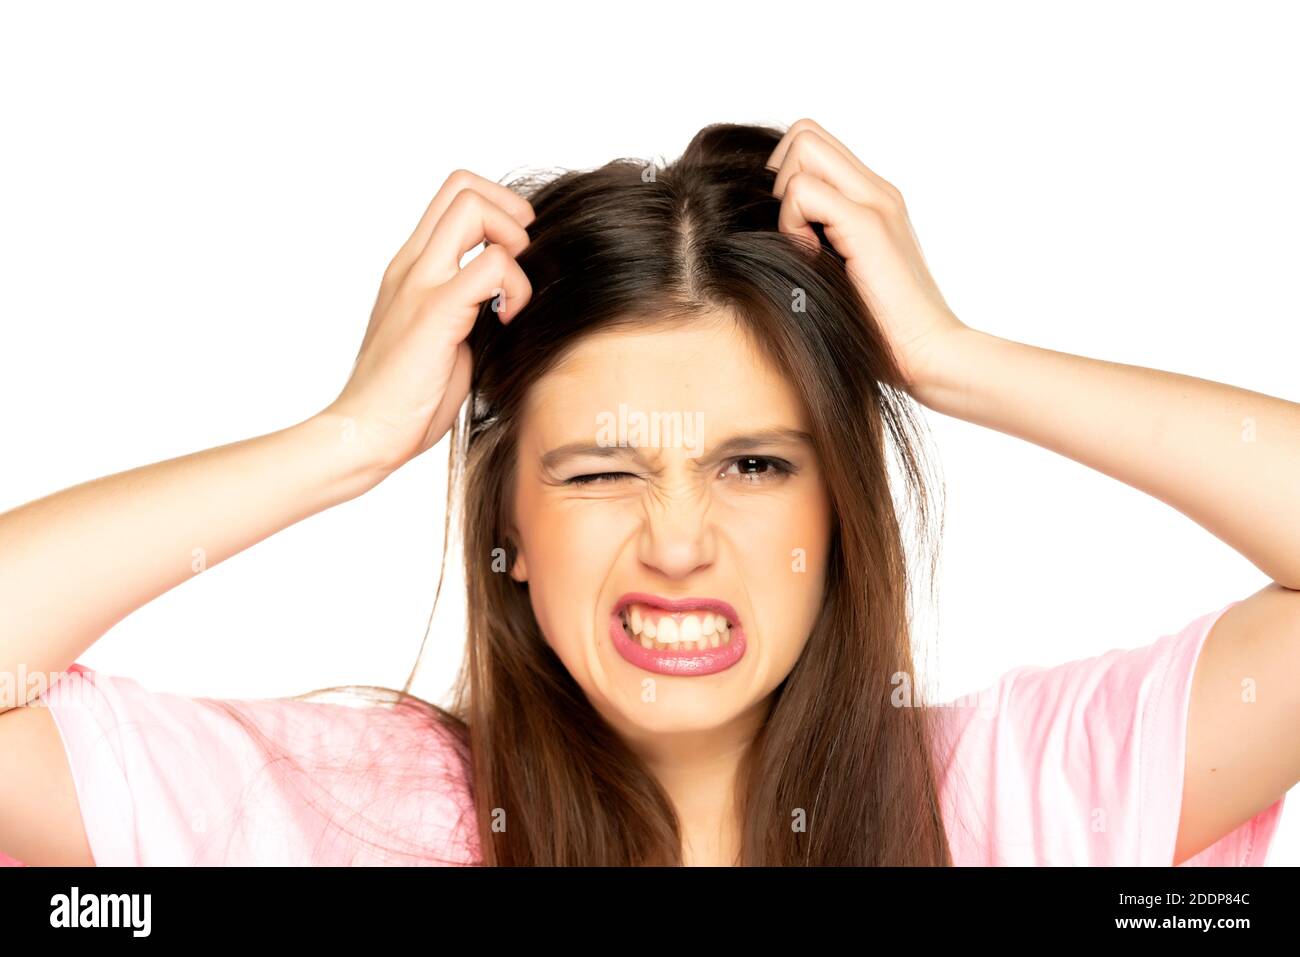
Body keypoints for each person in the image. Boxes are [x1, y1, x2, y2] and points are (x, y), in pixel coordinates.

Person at [0, 118, 1293, 866]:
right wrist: (348, 439)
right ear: (508, 521)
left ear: (837, 512)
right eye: (603, 471)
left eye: (754, 464)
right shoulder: (328, 814)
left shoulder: (1021, 797)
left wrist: (956, 364)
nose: (679, 539)